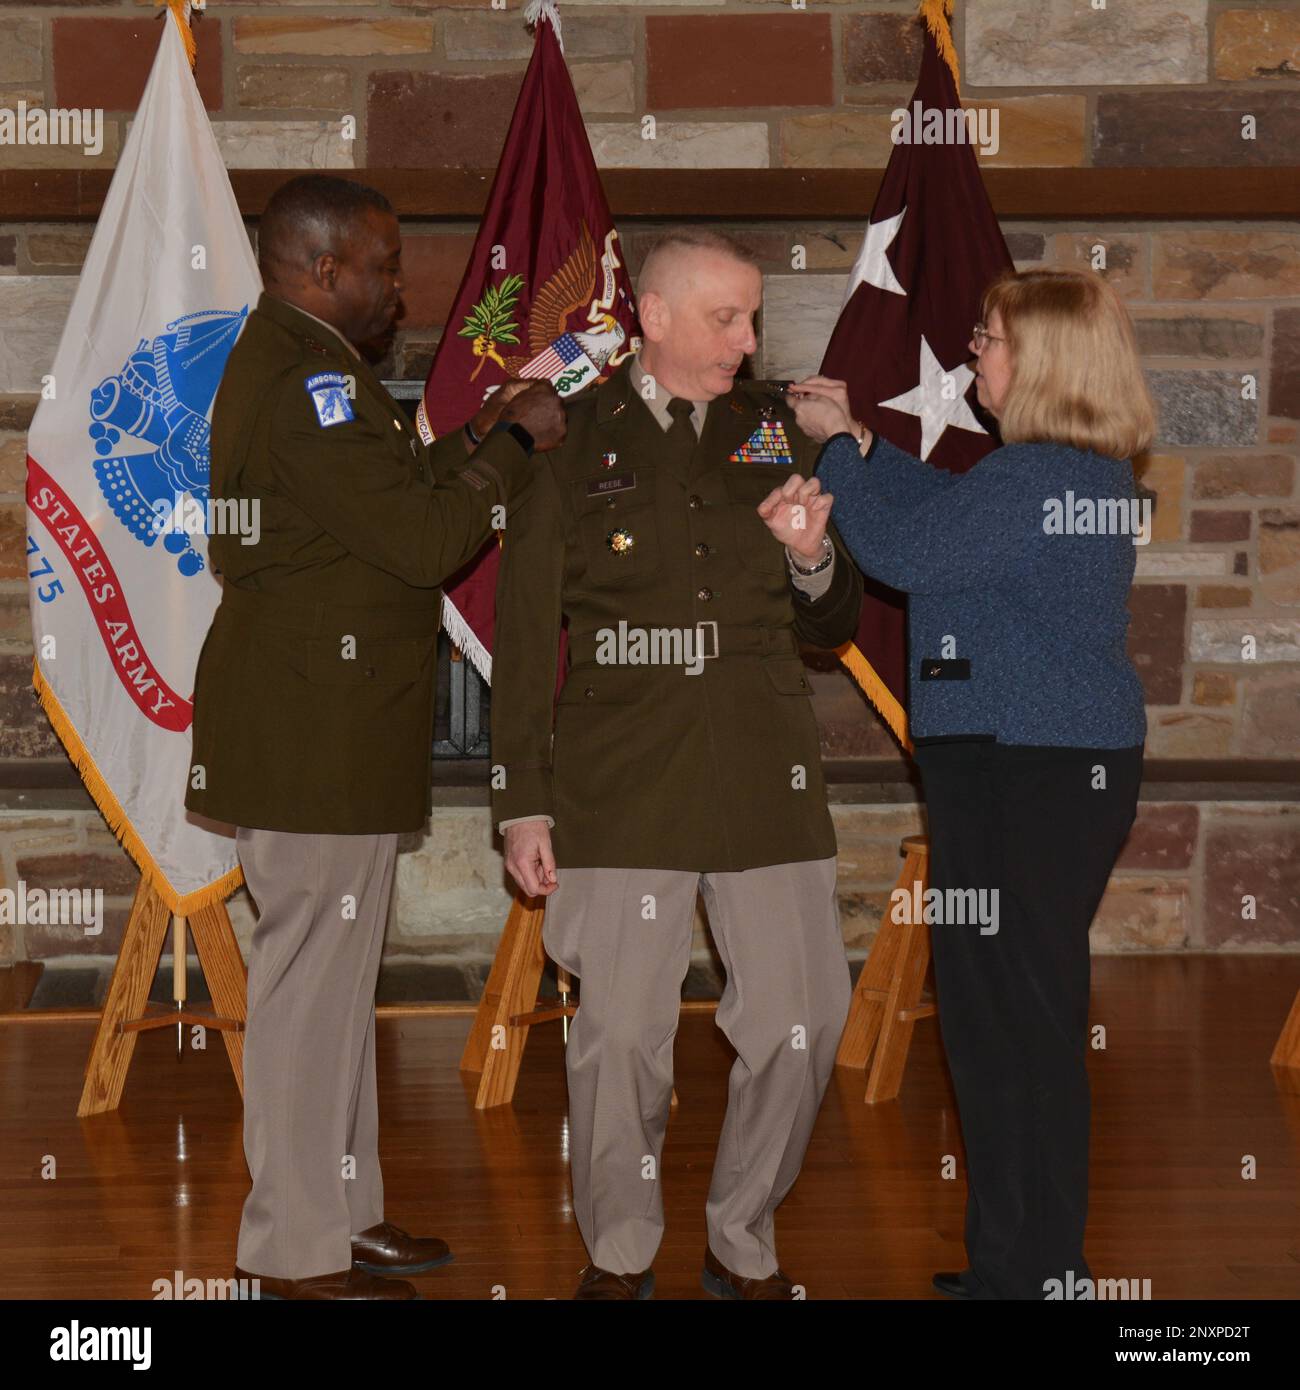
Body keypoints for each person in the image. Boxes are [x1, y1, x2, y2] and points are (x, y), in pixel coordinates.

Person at [186, 173, 565, 1300]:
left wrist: (488, 432)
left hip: (325, 727)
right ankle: (292, 1246)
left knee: (337, 992)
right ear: (320, 270)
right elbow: (420, 539)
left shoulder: (314, 367)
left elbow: (385, 498)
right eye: (383, 266)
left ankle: (342, 1212)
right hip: (311, 734)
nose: (400, 288)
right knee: (308, 998)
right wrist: (519, 449)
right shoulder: (307, 379)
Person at [490, 228, 864, 1300]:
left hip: (762, 774)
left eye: (751, 319)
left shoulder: (763, 434)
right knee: (616, 1039)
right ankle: (617, 1248)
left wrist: (811, 558)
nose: (746, 343)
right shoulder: (570, 436)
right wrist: (522, 800)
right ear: (651, 317)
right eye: (724, 318)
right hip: (619, 779)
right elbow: (524, 638)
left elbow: (833, 621)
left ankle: (740, 1235)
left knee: (805, 1020)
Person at [791, 266, 1155, 1300]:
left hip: (1024, 769)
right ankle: (1016, 1262)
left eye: (987, 339)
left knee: (1018, 1021)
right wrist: (862, 445)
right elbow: (946, 515)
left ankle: (1045, 1272)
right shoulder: (1050, 473)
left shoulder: (1039, 479)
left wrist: (831, 452)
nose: (970, 356)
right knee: (995, 1017)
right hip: (1020, 763)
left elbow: (907, 549)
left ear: (1039, 359)